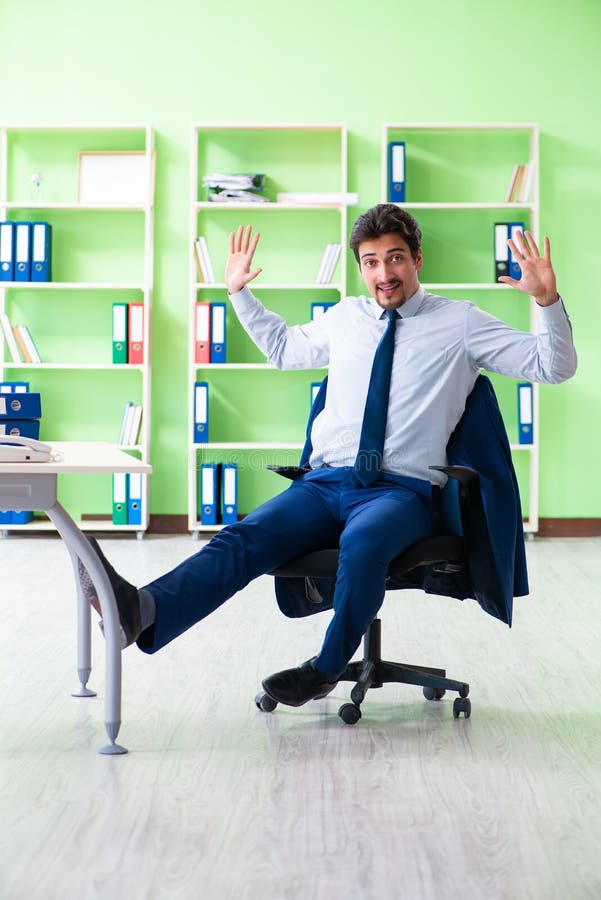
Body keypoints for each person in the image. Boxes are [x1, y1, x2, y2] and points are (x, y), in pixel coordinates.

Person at [79, 204, 577, 708]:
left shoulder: (461, 322)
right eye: (371, 262)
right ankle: (139, 611)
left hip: (400, 490)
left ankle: (325, 667)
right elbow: (282, 349)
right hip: (325, 483)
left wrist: (546, 301)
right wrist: (238, 293)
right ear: (360, 267)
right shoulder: (344, 318)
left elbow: (552, 366)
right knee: (244, 537)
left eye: (396, 259)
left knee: (363, 544)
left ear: (417, 259)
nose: (384, 274)